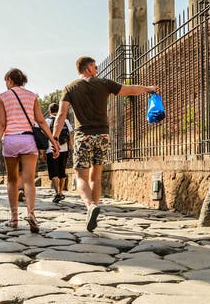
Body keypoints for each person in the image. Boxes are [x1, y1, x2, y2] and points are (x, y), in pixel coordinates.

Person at [53, 55, 156, 232]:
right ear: (87, 68)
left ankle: (90, 206)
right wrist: (148, 88)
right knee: (96, 176)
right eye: (94, 66)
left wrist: (54, 138)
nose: (97, 69)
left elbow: (61, 115)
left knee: (81, 176)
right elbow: (129, 90)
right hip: (102, 135)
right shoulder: (104, 84)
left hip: (83, 136)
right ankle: (94, 208)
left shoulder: (70, 88)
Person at [0, 68, 59, 232]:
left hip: (11, 140)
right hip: (29, 140)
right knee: (29, 180)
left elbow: (1, 124)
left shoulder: (3, 97)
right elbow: (42, 121)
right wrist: (53, 142)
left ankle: (14, 219)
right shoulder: (32, 96)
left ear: (9, 79)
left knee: (12, 180)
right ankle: (31, 214)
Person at [46, 102, 73, 204]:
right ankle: (60, 192)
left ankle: (57, 193)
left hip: (51, 149)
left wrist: (43, 150)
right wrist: (71, 146)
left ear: (49, 111)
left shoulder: (47, 121)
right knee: (62, 172)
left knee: (54, 172)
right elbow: (70, 135)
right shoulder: (65, 121)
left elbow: (45, 135)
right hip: (64, 149)